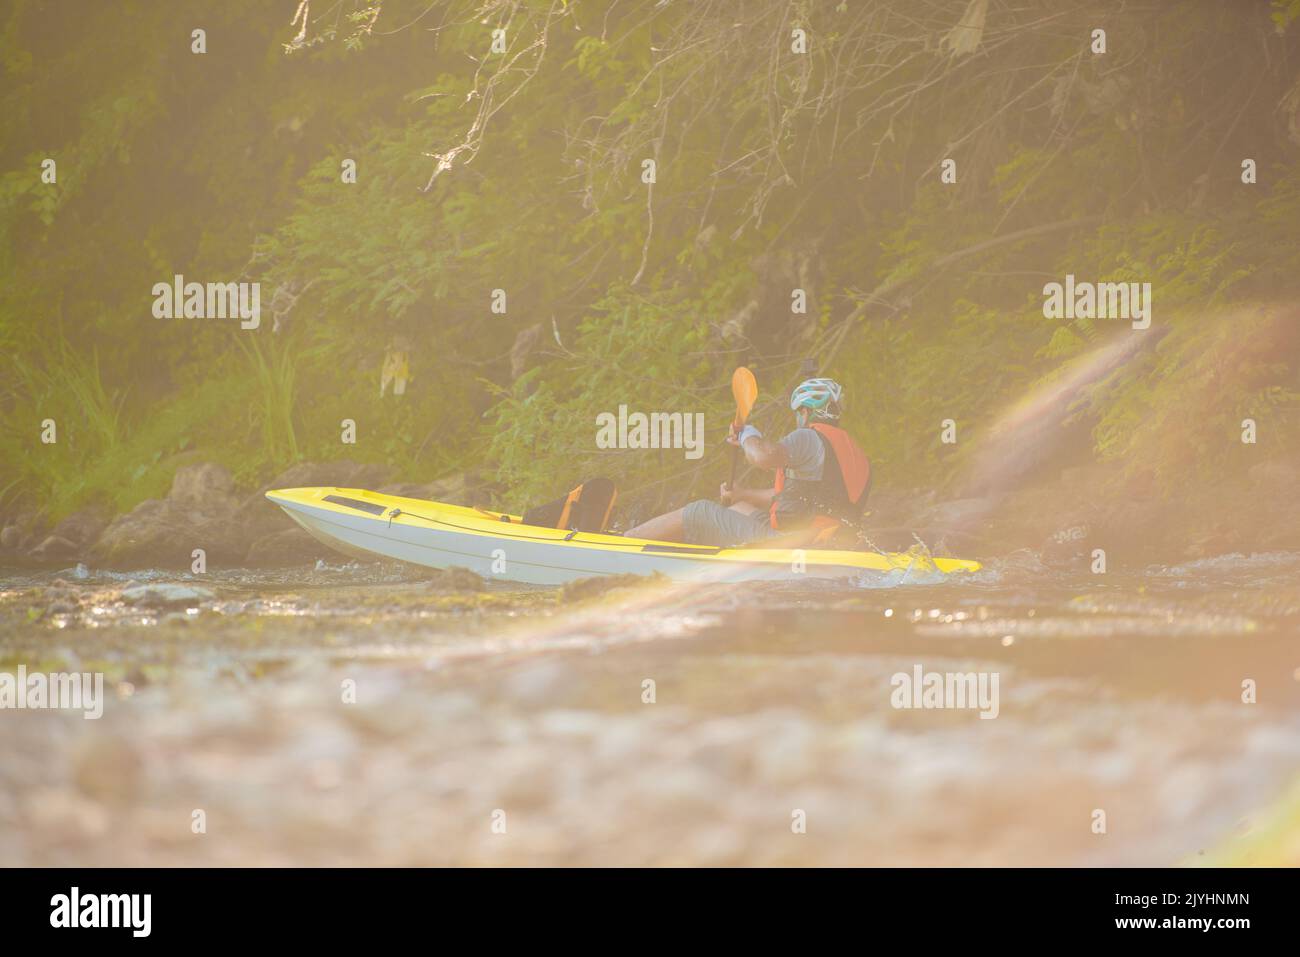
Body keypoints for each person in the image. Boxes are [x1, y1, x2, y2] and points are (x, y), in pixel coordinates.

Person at [625, 378, 871, 547]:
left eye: (799, 413)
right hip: (823, 540)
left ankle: (625, 544)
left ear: (805, 412)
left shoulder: (809, 436)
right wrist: (745, 494)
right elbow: (798, 498)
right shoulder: (854, 451)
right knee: (738, 507)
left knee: (698, 511)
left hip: (793, 544)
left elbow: (761, 456)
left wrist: (746, 434)